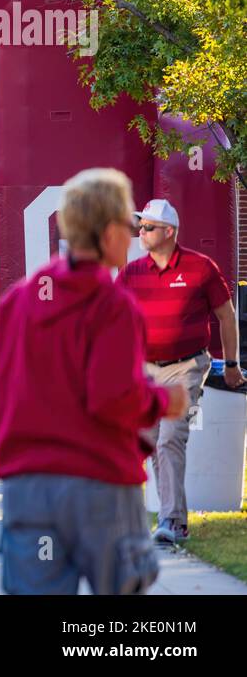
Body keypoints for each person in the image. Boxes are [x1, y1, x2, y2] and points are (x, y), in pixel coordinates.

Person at [0, 169, 187, 594]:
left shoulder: (19, 301)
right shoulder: (112, 305)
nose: (133, 235)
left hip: (29, 486)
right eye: (129, 225)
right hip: (100, 485)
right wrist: (162, 401)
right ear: (109, 230)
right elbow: (113, 397)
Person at [116, 198, 242, 546]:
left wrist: (231, 364)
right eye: (140, 226)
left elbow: (226, 316)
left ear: (169, 232)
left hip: (186, 366)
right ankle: (165, 516)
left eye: (148, 227)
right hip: (144, 369)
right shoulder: (132, 273)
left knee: (171, 436)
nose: (141, 232)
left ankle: (173, 521)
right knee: (153, 441)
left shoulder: (201, 267)